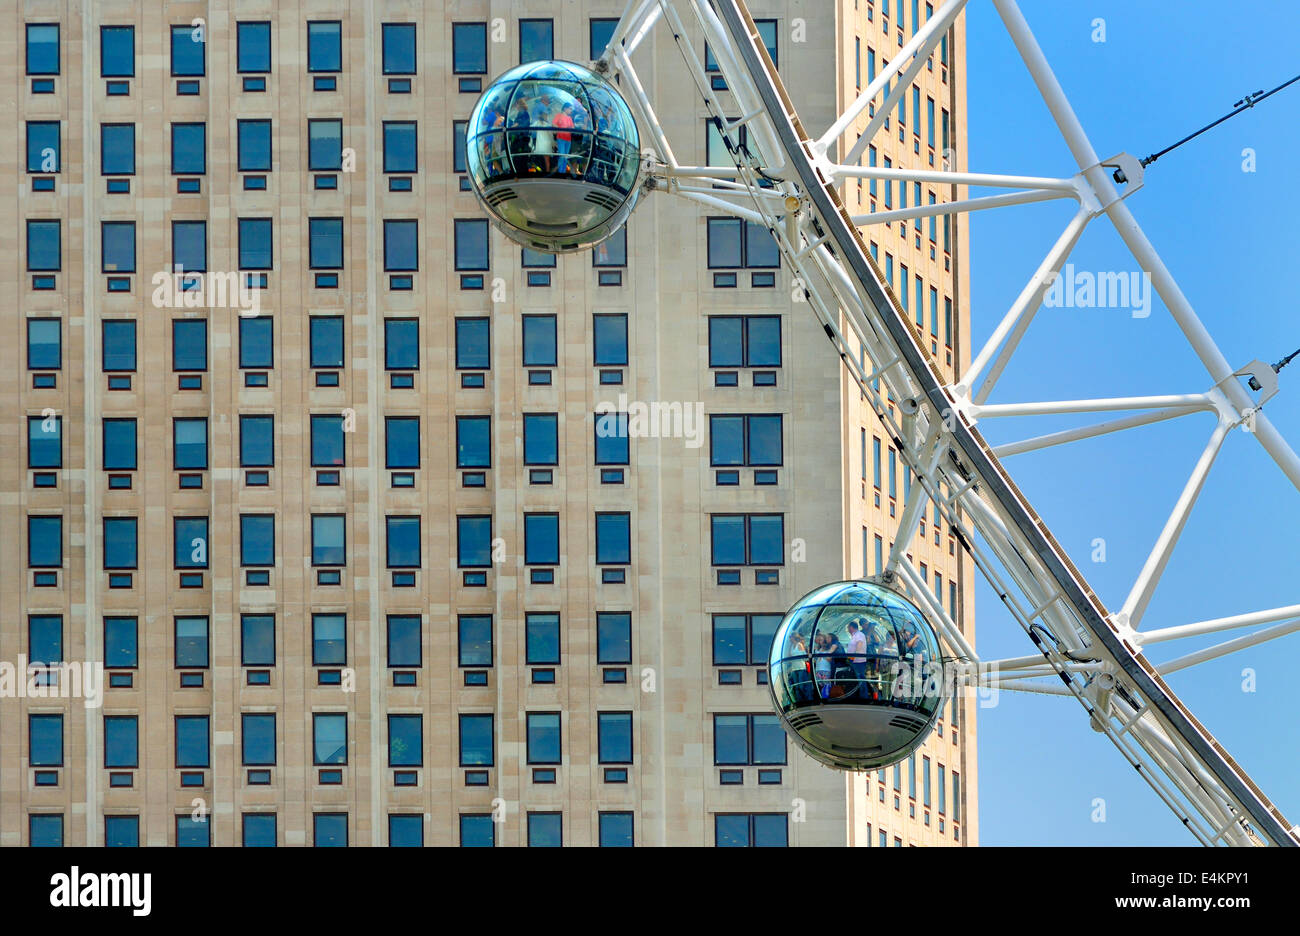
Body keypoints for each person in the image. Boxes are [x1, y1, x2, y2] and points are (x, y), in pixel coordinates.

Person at [553, 102, 575, 173]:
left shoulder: (569, 118)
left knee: (565, 156)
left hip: (568, 139)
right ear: (565, 108)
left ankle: (563, 171)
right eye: (570, 109)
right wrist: (561, 128)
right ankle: (560, 172)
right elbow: (553, 124)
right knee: (562, 155)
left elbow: (572, 127)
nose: (571, 110)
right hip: (561, 138)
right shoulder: (558, 115)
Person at [813, 633, 833, 699]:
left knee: (826, 684)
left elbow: (830, 659)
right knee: (820, 684)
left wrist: (821, 655)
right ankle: (822, 698)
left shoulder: (829, 649)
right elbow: (815, 660)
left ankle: (826, 698)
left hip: (826, 669)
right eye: (819, 640)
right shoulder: (818, 649)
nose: (819, 641)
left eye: (821, 640)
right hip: (818, 669)